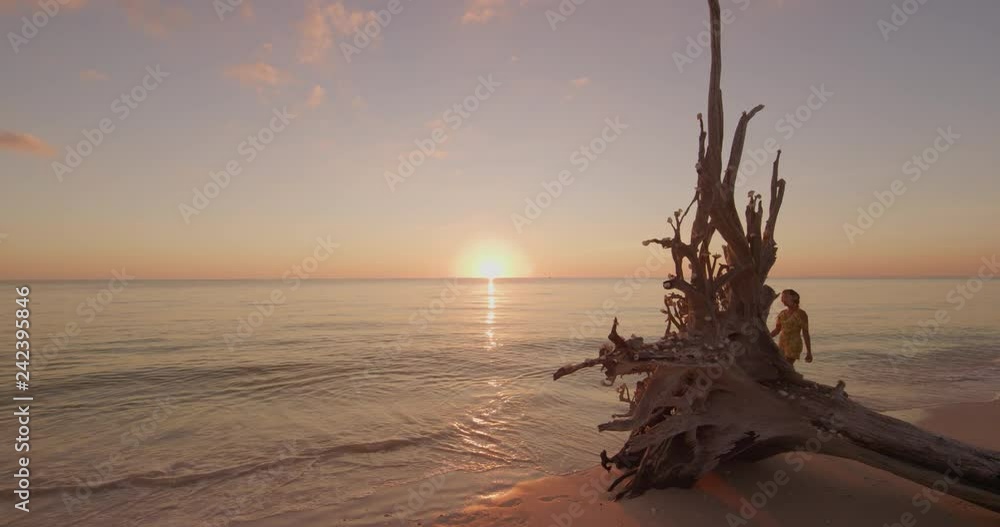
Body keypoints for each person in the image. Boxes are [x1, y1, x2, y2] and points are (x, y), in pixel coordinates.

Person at [770, 289, 812, 365]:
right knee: (782, 367)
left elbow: (805, 333)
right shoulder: (782, 313)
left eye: (785, 297)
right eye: (782, 297)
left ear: (795, 297)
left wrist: (809, 352)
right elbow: (777, 330)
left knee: (787, 366)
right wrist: (767, 337)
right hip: (782, 343)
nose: (783, 299)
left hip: (794, 344)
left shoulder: (801, 314)